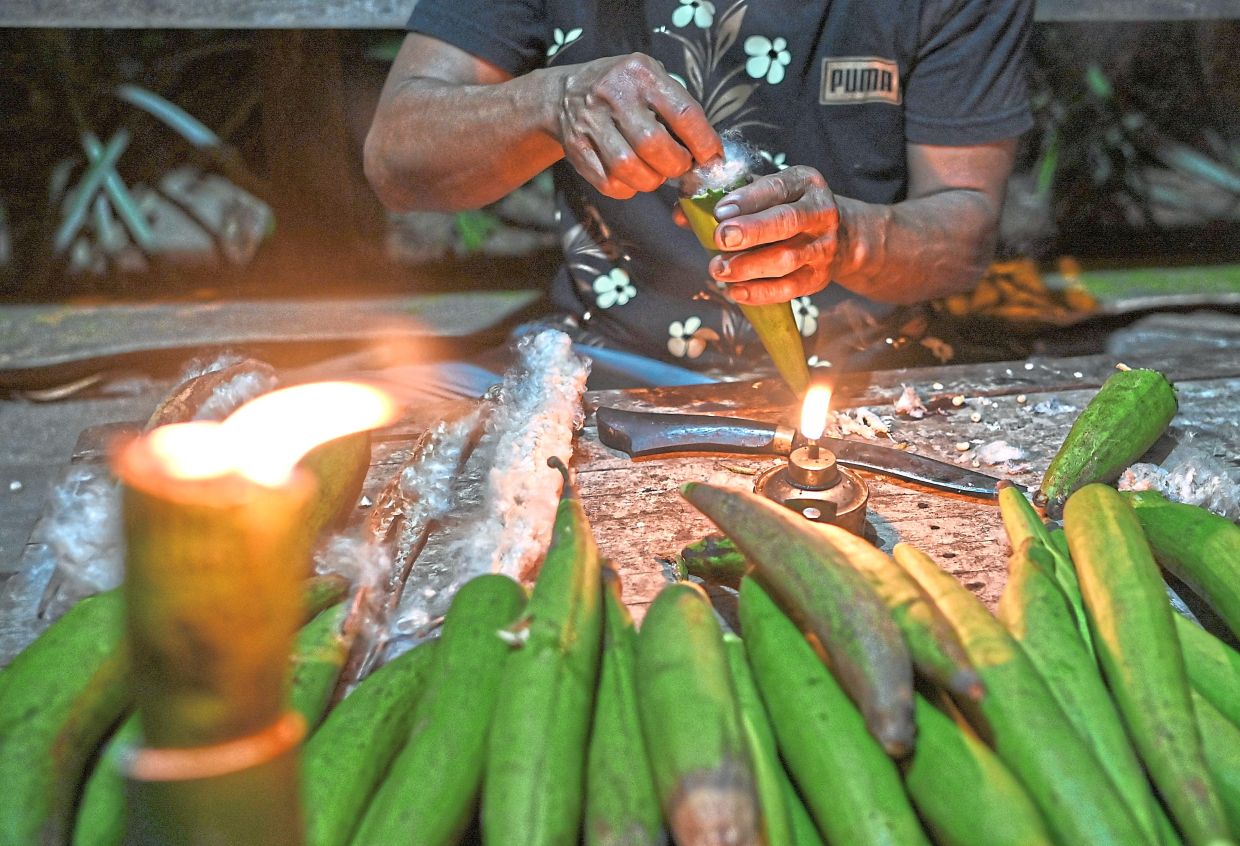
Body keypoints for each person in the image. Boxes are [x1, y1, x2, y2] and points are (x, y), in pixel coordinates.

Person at [366, 0, 1035, 377]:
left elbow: (965, 228)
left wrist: (847, 239)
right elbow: (398, 158)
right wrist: (551, 101)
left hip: (867, 368)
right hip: (606, 358)